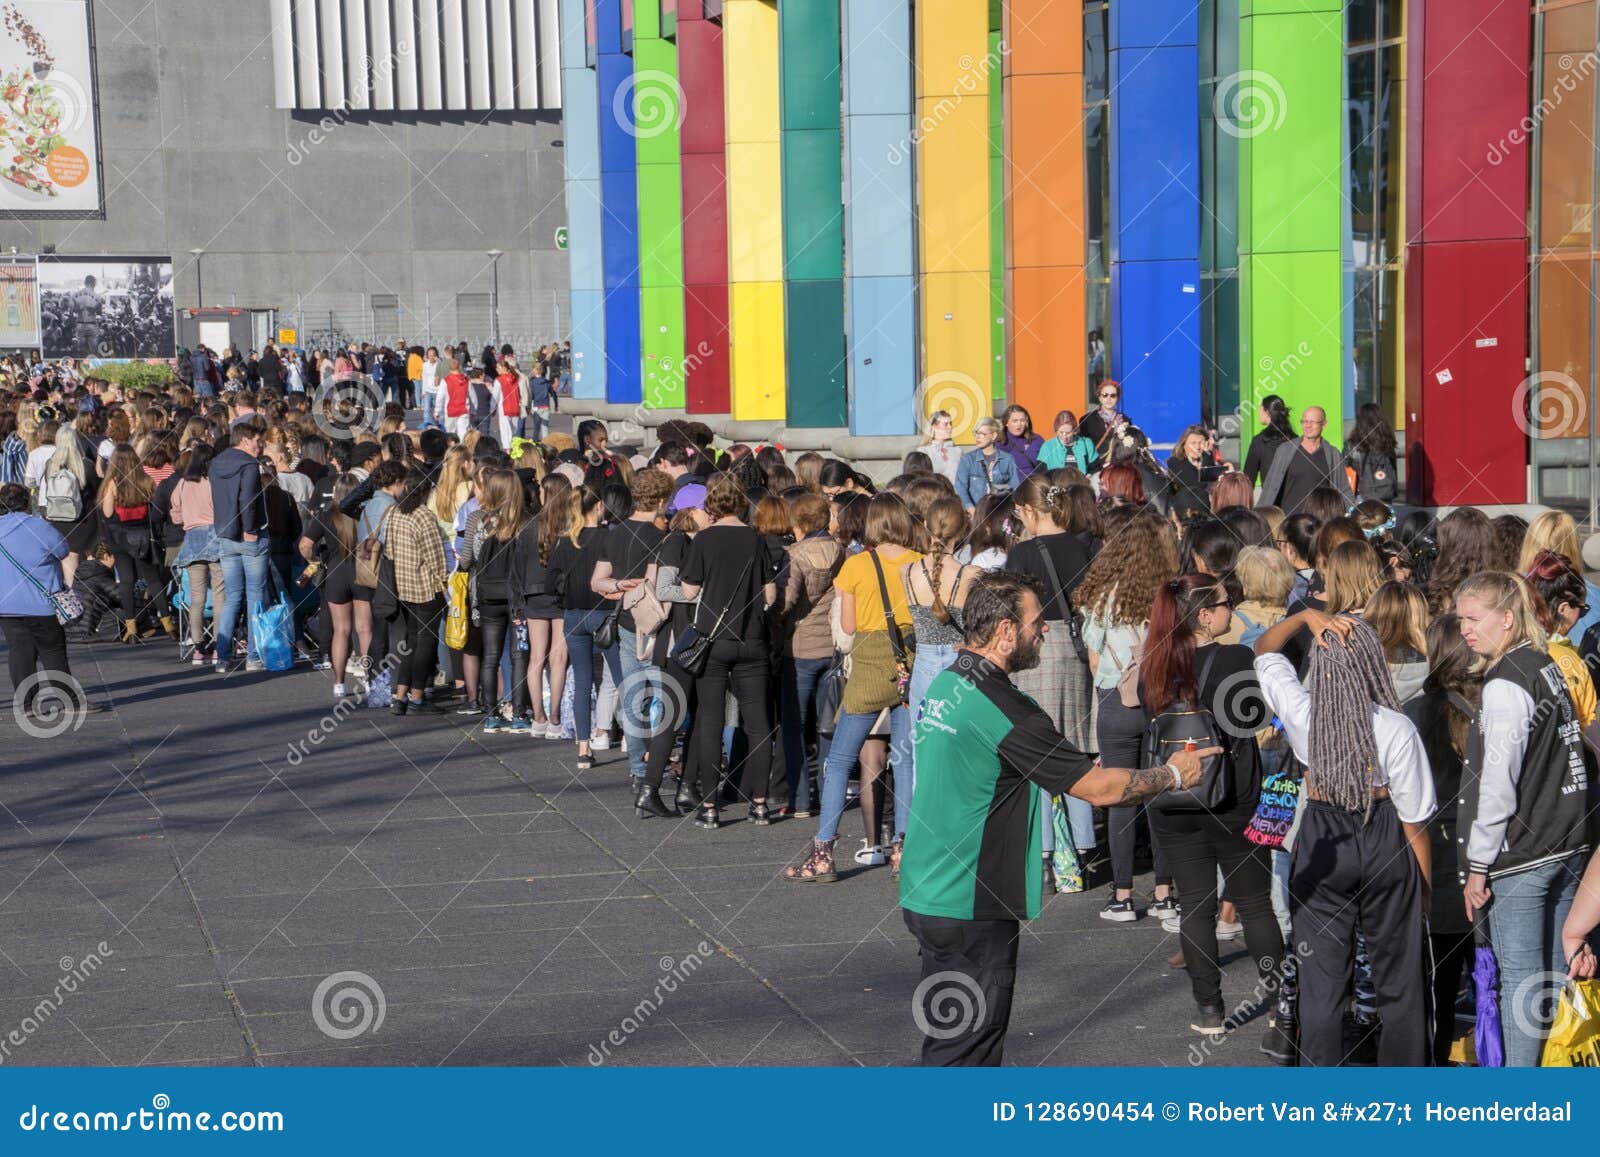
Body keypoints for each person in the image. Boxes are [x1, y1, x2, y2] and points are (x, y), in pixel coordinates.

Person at [897, 570, 1216, 1066]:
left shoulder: (949, 679)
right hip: (969, 901)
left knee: (950, 1039)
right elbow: (1098, 789)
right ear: (1005, 631)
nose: (1045, 631)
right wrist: (1175, 773)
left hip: (929, 887)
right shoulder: (1006, 709)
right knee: (968, 1050)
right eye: (1036, 622)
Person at [1252, 610, 1435, 1067]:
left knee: (1322, 981)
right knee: (1401, 982)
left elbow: (1264, 650)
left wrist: (1303, 616)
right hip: (1384, 833)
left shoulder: (1300, 712)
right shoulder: (1397, 727)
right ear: (1374, 665)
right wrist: (1424, 890)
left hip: (1323, 837)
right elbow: (1415, 820)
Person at [1139, 574, 1288, 1052]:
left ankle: (1209, 1010)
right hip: (1232, 799)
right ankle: (1279, 1002)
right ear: (1204, 615)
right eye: (1226, 603)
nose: (1232, 610)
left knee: (1196, 906)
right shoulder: (1233, 658)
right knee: (1255, 904)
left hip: (1174, 798)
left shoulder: (1153, 665)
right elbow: (1255, 719)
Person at [1455, 570, 1592, 1067]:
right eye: (1460, 619)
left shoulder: (1505, 684)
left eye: (1474, 618)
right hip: (1568, 840)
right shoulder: (1546, 664)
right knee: (1553, 976)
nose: (1465, 629)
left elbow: (1497, 786)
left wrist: (1477, 862)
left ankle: (1517, 1105)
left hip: (1525, 855)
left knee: (1521, 981)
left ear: (1508, 619)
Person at [787, 493, 920, 877]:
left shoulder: (858, 566)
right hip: (910, 668)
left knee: (840, 761)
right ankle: (903, 847)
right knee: (906, 759)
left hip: (867, 666)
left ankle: (824, 852)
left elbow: (847, 628)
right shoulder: (919, 563)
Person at [1077, 506, 1181, 921]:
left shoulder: (1103, 595)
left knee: (1120, 796)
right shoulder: (1167, 593)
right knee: (1159, 792)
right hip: (1158, 702)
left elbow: (1093, 656)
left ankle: (1121, 895)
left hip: (1114, 700)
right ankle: (1164, 892)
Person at [1006, 473, 1097, 888]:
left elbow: (1011, 611)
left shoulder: (1023, 554)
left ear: (1027, 510)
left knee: (1037, 754)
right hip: (1079, 649)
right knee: (1076, 752)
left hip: (1037, 650)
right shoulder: (1087, 546)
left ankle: (1044, 853)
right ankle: (1082, 849)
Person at [677, 473, 782, 828]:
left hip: (713, 639)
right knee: (758, 723)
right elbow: (770, 595)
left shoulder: (704, 540)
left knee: (710, 719)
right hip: (751, 639)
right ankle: (760, 802)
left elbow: (690, 592)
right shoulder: (756, 539)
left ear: (711, 502)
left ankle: (709, 806)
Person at [1404, 614, 1479, 1065]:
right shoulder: (1485, 711)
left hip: (1427, 857)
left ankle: (1431, 1072)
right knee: (1490, 981)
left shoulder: (1413, 712)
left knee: (1435, 988)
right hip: (1480, 860)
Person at [590, 468, 672, 786]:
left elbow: (598, 581)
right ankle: (655, 761)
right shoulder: (658, 536)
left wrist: (621, 585)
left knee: (633, 694)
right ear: (661, 500)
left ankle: (638, 765)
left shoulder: (616, 532)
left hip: (625, 623)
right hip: (653, 625)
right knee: (662, 695)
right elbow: (656, 586)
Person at [0, 483, 96, 719]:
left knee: (19, 652)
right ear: (27, 502)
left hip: (7, 603)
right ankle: (70, 700)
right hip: (41, 602)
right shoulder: (39, 526)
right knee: (52, 652)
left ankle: (25, 705)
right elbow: (62, 550)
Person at [778, 491, 844, 819]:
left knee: (793, 726)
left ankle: (801, 799)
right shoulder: (841, 552)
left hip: (799, 648)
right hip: (832, 647)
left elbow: (786, 602)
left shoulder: (795, 555)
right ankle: (831, 793)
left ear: (800, 522)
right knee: (828, 725)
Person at [547, 485, 618, 771]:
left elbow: (551, 584)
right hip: (604, 614)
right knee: (622, 677)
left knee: (582, 682)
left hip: (573, 615)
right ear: (598, 506)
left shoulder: (565, 542)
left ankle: (583, 747)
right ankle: (641, 745)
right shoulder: (609, 539)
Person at [382, 466, 449, 715]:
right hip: (426, 587)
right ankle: (418, 696)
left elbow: (389, 550)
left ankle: (400, 696)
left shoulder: (396, 514)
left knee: (409, 641)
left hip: (402, 586)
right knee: (426, 643)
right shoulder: (424, 516)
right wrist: (444, 581)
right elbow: (435, 557)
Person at [210, 418, 271, 673]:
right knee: (255, 596)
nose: (261, 446)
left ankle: (223, 657)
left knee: (232, 596)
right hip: (249, 535)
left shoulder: (215, 463)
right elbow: (248, 499)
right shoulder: (249, 465)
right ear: (245, 440)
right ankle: (254, 656)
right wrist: (249, 529)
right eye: (258, 441)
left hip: (224, 534)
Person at [99, 444, 174, 643]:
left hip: (120, 537)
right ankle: (168, 624)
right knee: (153, 579)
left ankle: (130, 629)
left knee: (126, 581)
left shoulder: (113, 483)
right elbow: (155, 508)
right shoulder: (145, 480)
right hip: (143, 536)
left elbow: (107, 512)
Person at [299, 474, 363, 698]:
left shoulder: (326, 515)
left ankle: (338, 683)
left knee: (341, 630)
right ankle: (370, 678)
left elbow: (305, 544)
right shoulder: (363, 514)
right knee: (364, 629)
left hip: (336, 573)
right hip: (361, 572)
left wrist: (314, 561)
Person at [171, 443, 224, 666]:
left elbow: (175, 515)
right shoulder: (214, 483)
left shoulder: (182, 483)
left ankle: (198, 646)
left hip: (192, 538)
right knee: (221, 595)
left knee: (196, 597)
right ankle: (220, 646)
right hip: (215, 535)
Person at [1258, 406, 1353, 515]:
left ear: (1324, 424)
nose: (1307, 425)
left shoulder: (1333, 454)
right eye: (1304, 421)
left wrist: (1353, 514)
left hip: (1322, 520)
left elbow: (1343, 489)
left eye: (1313, 422)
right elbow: (1270, 486)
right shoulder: (1285, 450)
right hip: (1290, 521)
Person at [1165, 424, 1229, 520]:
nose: (1197, 447)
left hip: (1211, 515)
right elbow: (1197, 486)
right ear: (1184, 444)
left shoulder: (1211, 461)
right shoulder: (1175, 462)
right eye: (1193, 443)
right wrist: (1207, 456)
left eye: (1201, 443)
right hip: (1186, 516)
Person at [956, 417, 1018, 511]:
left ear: (993, 436)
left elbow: (1015, 487)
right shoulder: (967, 460)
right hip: (976, 514)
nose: (978, 437)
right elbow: (960, 488)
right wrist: (970, 508)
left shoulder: (1007, 459)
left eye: (982, 434)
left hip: (1000, 513)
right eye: (976, 433)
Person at [1345, 402, 1398, 502]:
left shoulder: (1352, 445)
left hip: (1361, 497)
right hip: (1385, 496)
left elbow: (1346, 472)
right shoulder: (1387, 443)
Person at [1242, 395, 1295, 488]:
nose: (1258, 413)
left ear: (1266, 412)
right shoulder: (1295, 439)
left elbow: (1248, 479)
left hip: (1270, 500)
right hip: (1294, 498)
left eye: (1260, 410)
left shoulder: (1259, 441)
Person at [1079, 380, 1128, 462]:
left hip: (1119, 464)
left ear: (1117, 398)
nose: (1109, 399)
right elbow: (1081, 447)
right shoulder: (1087, 420)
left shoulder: (1125, 420)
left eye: (1113, 395)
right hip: (1096, 465)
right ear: (1099, 397)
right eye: (1105, 395)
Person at [1036, 409, 1097, 475]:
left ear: (1074, 430)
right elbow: (1040, 474)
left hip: (1081, 484)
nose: (1064, 436)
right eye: (1061, 432)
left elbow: (1096, 468)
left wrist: (1090, 475)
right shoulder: (1047, 447)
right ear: (1056, 430)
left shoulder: (1086, 444)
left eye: (1068, 433)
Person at [996, 404, 1043, 480]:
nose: (1019, 424)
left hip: (1034, 487)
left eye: (1022, 420)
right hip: (1011, 489)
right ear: (1006, 423)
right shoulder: (999, 443)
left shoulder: (1037, 440)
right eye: (1015, 421)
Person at [915, 410, 961, 485]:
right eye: (946, 424)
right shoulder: (924, 451)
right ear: (934, 427)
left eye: (950, 424)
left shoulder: (958, 451)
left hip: (954, 495)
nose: (950, 427)